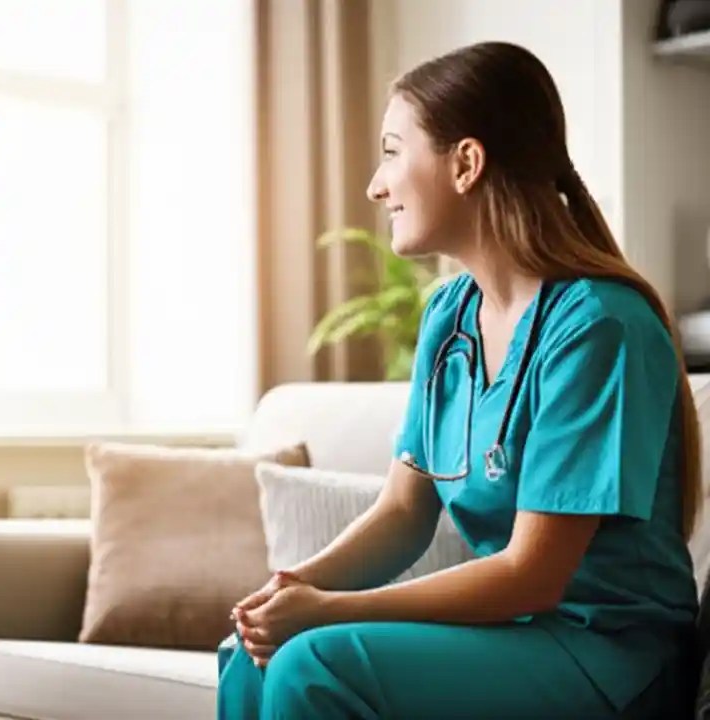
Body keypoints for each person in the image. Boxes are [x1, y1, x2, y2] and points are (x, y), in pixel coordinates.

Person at [217, 41, 700, 719]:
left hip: (612, 654)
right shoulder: (451, 316)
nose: (374, 185)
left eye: (392, 150)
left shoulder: (598, 326)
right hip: (518, 636)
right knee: (246, 655)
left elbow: (531, 575)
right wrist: (289, 591)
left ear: (467, 163)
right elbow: (403, 513)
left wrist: (327, 612)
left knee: (313, 662)